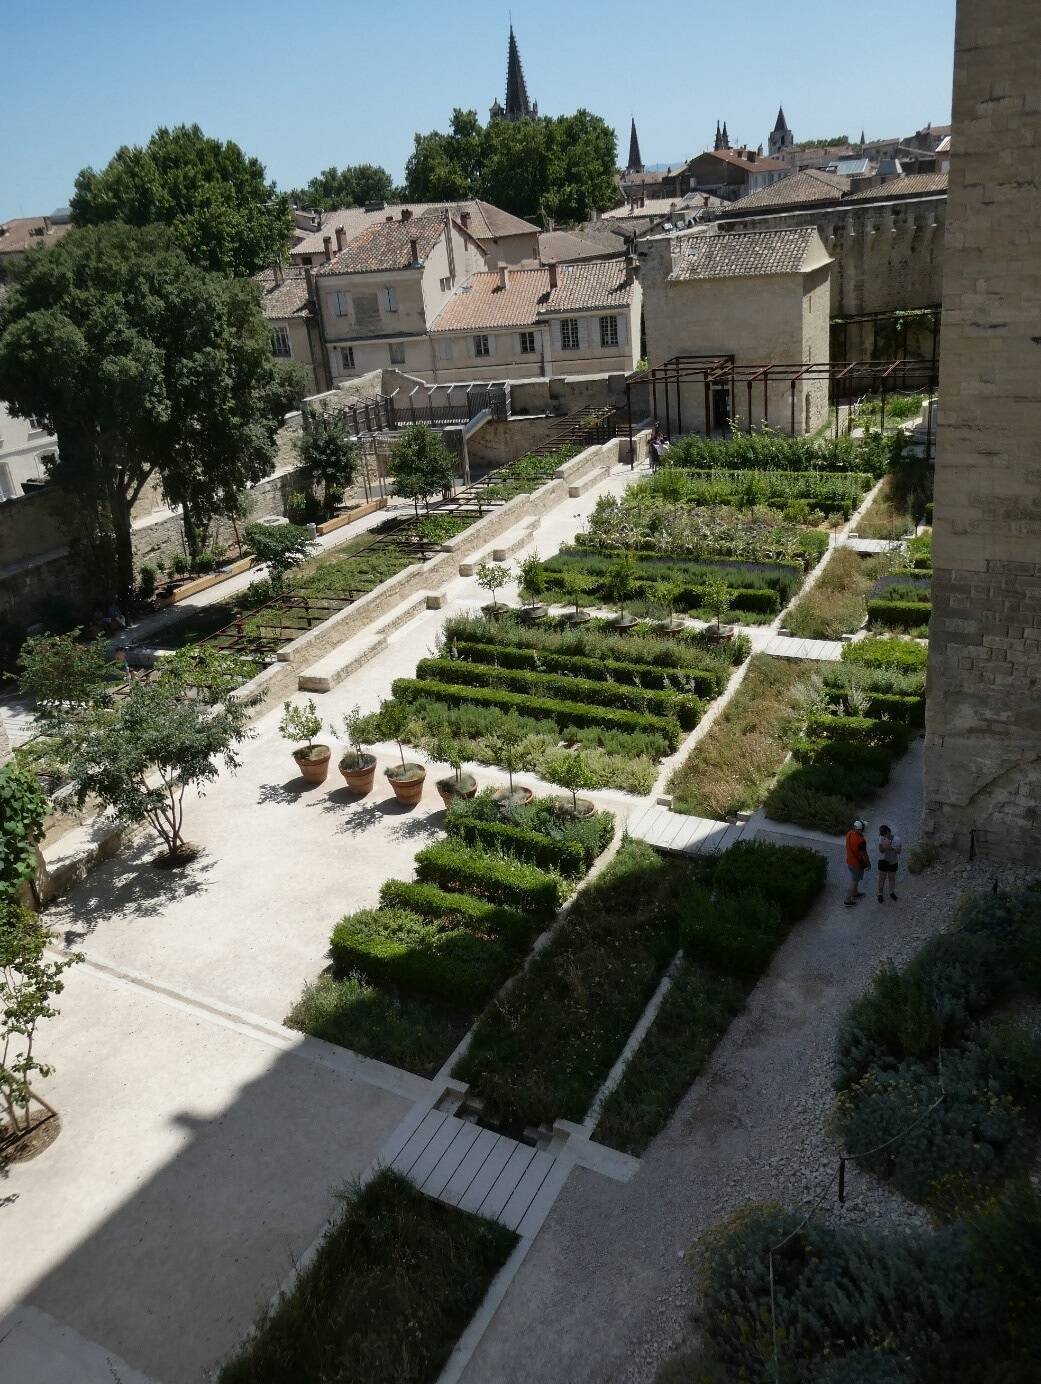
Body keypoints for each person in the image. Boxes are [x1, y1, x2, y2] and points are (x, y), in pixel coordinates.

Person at [844, 818, 870, 906]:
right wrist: (868, 864)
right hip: (856, 864)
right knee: (854, 881)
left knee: (856, 879)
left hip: (850, 861)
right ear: (861, 829)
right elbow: (864, 855)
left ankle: (855, 893)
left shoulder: (849, 833)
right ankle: (847, 900)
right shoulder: (861, 841)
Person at [876, 824, 902, 902]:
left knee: (891, 878)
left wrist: (891, 848)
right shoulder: (881, 838)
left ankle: (891, 892)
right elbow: (880, 849)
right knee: (882, 878)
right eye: (882, 835)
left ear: (888, 832)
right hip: (883, 861)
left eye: (885, 834)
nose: (884, 836)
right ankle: (880, 894)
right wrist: (884, 847)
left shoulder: (897, 840)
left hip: (893, 862)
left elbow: (899, 851)